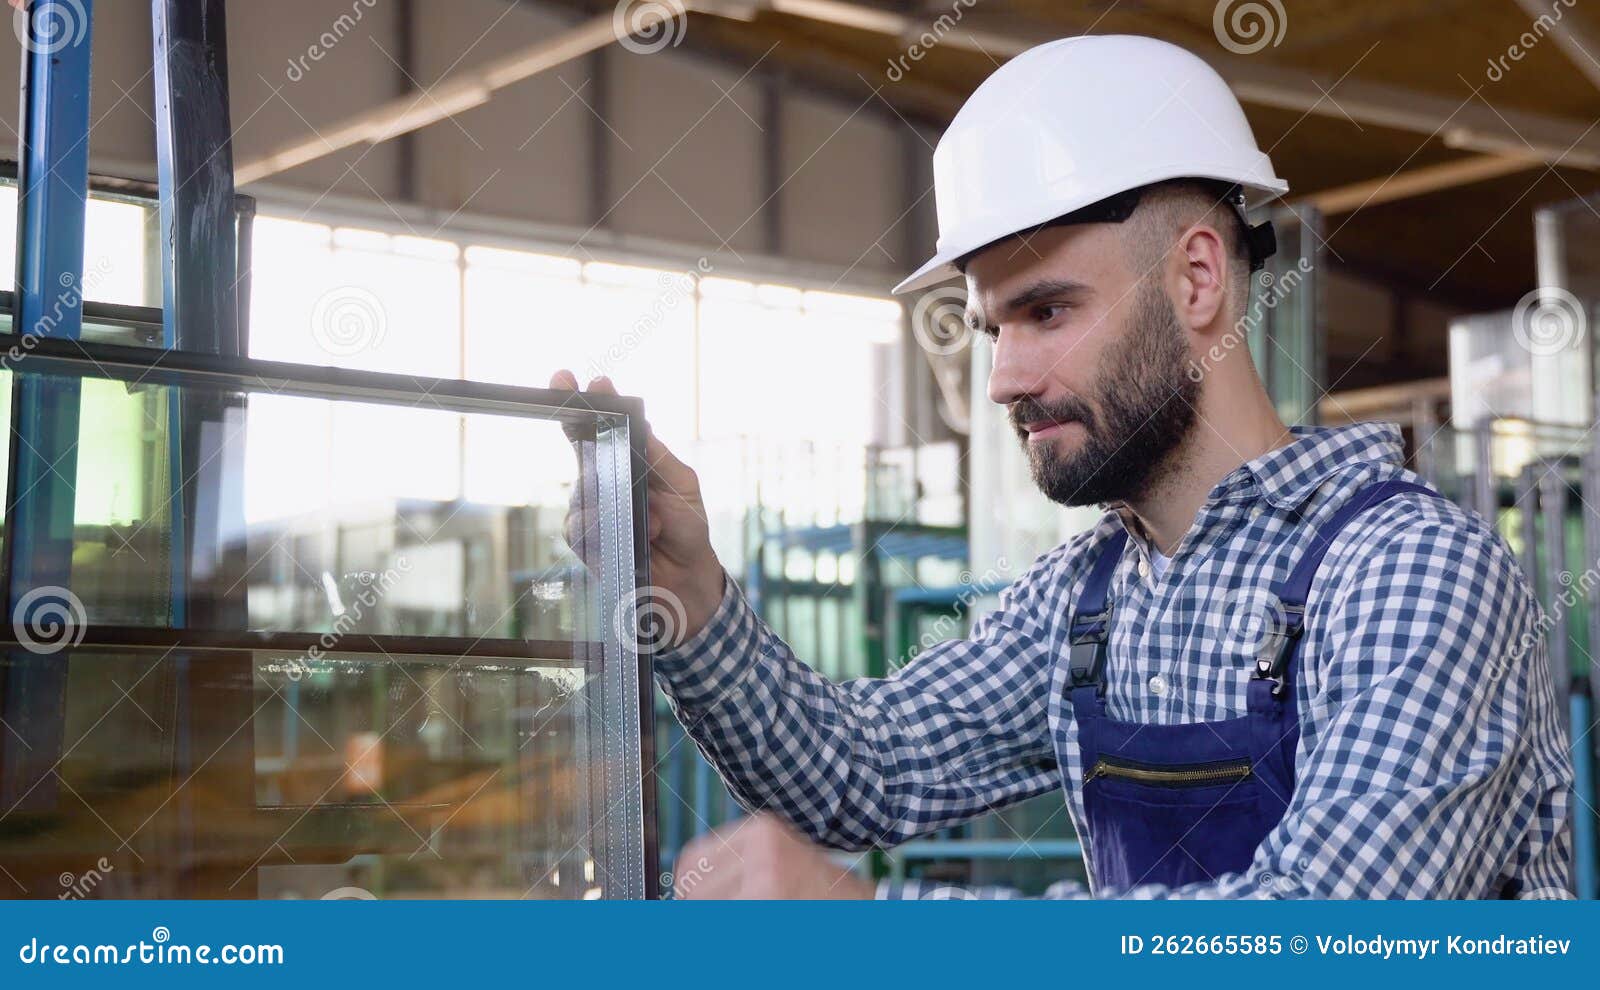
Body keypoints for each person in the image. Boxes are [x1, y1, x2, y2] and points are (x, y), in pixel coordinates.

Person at [552, 35, 1573, 899]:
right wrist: (689, 602)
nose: (1002, 378)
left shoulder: (1414, 574)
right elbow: (858, 772)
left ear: (1198, 279)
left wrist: (874, 924)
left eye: (1046, 311)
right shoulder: (1083, 602)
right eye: (993, 326)